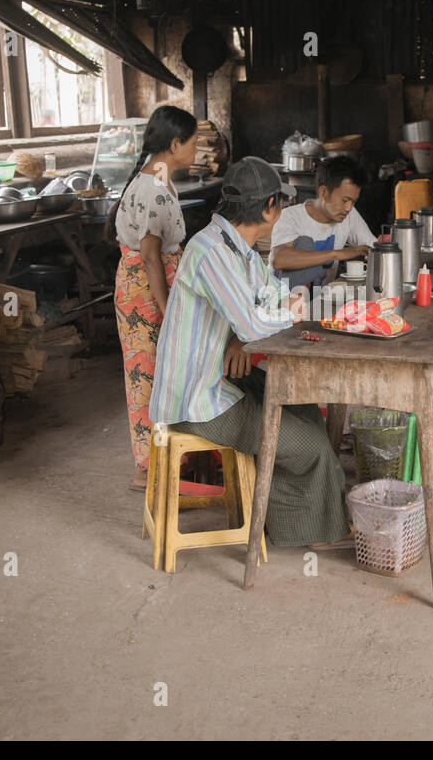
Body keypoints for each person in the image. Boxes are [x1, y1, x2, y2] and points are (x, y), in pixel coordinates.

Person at [148, 157, 352, 548]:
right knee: (307, 445)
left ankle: (301, 519)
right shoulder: (211, 252)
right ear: (268, 208)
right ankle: (313, 531)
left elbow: (269, 292)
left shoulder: (235, 246)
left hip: (215, 381)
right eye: (280, 202)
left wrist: (287, 300)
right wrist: (287, 311)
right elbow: (253, 324)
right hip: (196, 402)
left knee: (303, 409)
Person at [107, 105, 199, 491]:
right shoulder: (153, 189)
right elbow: (149, 256)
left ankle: (164, 456)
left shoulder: (159, 179)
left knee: (160, 370)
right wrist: (166, 308)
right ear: (175, 144)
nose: (197, 151)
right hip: (146, 290)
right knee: (146, 374)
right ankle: (146, 468)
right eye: (193, 144)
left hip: (148, 284)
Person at [269, 156, 375, 289]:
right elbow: (278, 260)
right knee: (304, 242)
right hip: (282, 300)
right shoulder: (291, 216)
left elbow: (373, 247)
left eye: (353, 202)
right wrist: (337, 253)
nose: (349, 208)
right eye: (344, 200)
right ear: (324, 192)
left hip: (320, 299)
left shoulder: (349, 215)